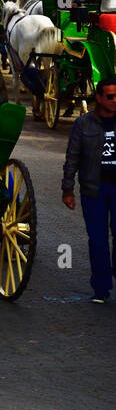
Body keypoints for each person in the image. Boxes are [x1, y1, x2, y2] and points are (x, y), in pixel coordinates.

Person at [62, 77, 116, 303]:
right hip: (94, 190)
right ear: (99, 98)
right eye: (110, 97)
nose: (114, 101)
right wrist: (68, 189)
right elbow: (72, 157)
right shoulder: (84, 124)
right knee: (97, 239)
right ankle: (101, 288)